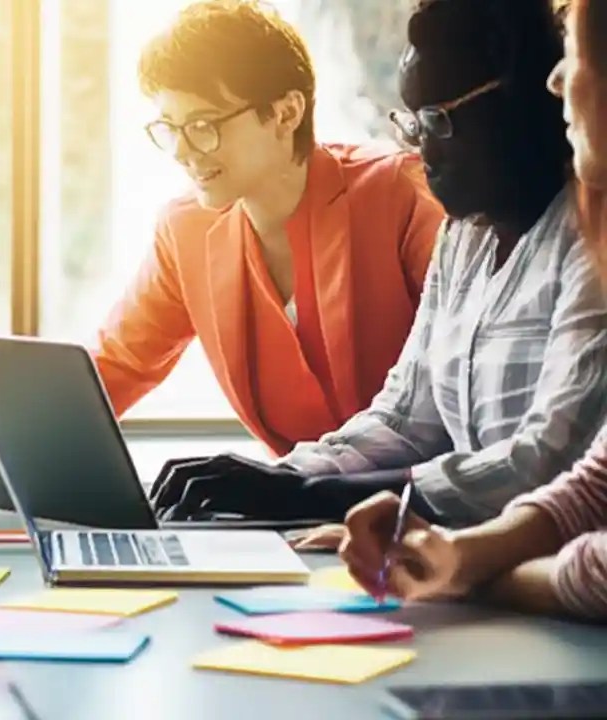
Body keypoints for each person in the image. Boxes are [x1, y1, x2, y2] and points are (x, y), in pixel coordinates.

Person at [150, 0, 607, 536]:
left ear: (522, 101)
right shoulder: (463, 243)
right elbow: (403, 419)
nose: (420, 149)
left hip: (552, 583)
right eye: (412, 122)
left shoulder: (588, 243)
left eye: (437, 120)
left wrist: (307, 493)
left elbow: (544, 465)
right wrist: (271, 478)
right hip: (473, 574)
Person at [341, 0, 607, 622]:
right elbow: (597, 484)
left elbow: (594, 557)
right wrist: (457, 553)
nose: (557, 80)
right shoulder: (461, 238)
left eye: (579, 56)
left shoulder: (582, 239)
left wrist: (473, 572)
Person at [92, 0, 444, 457]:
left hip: (418, 508)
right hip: (285, 513)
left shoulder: (399, 194)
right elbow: (114, 366)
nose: (182, 151)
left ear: (285, 113)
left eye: (202, 125)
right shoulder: (187, 231)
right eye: (169, 127)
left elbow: (466, 371)